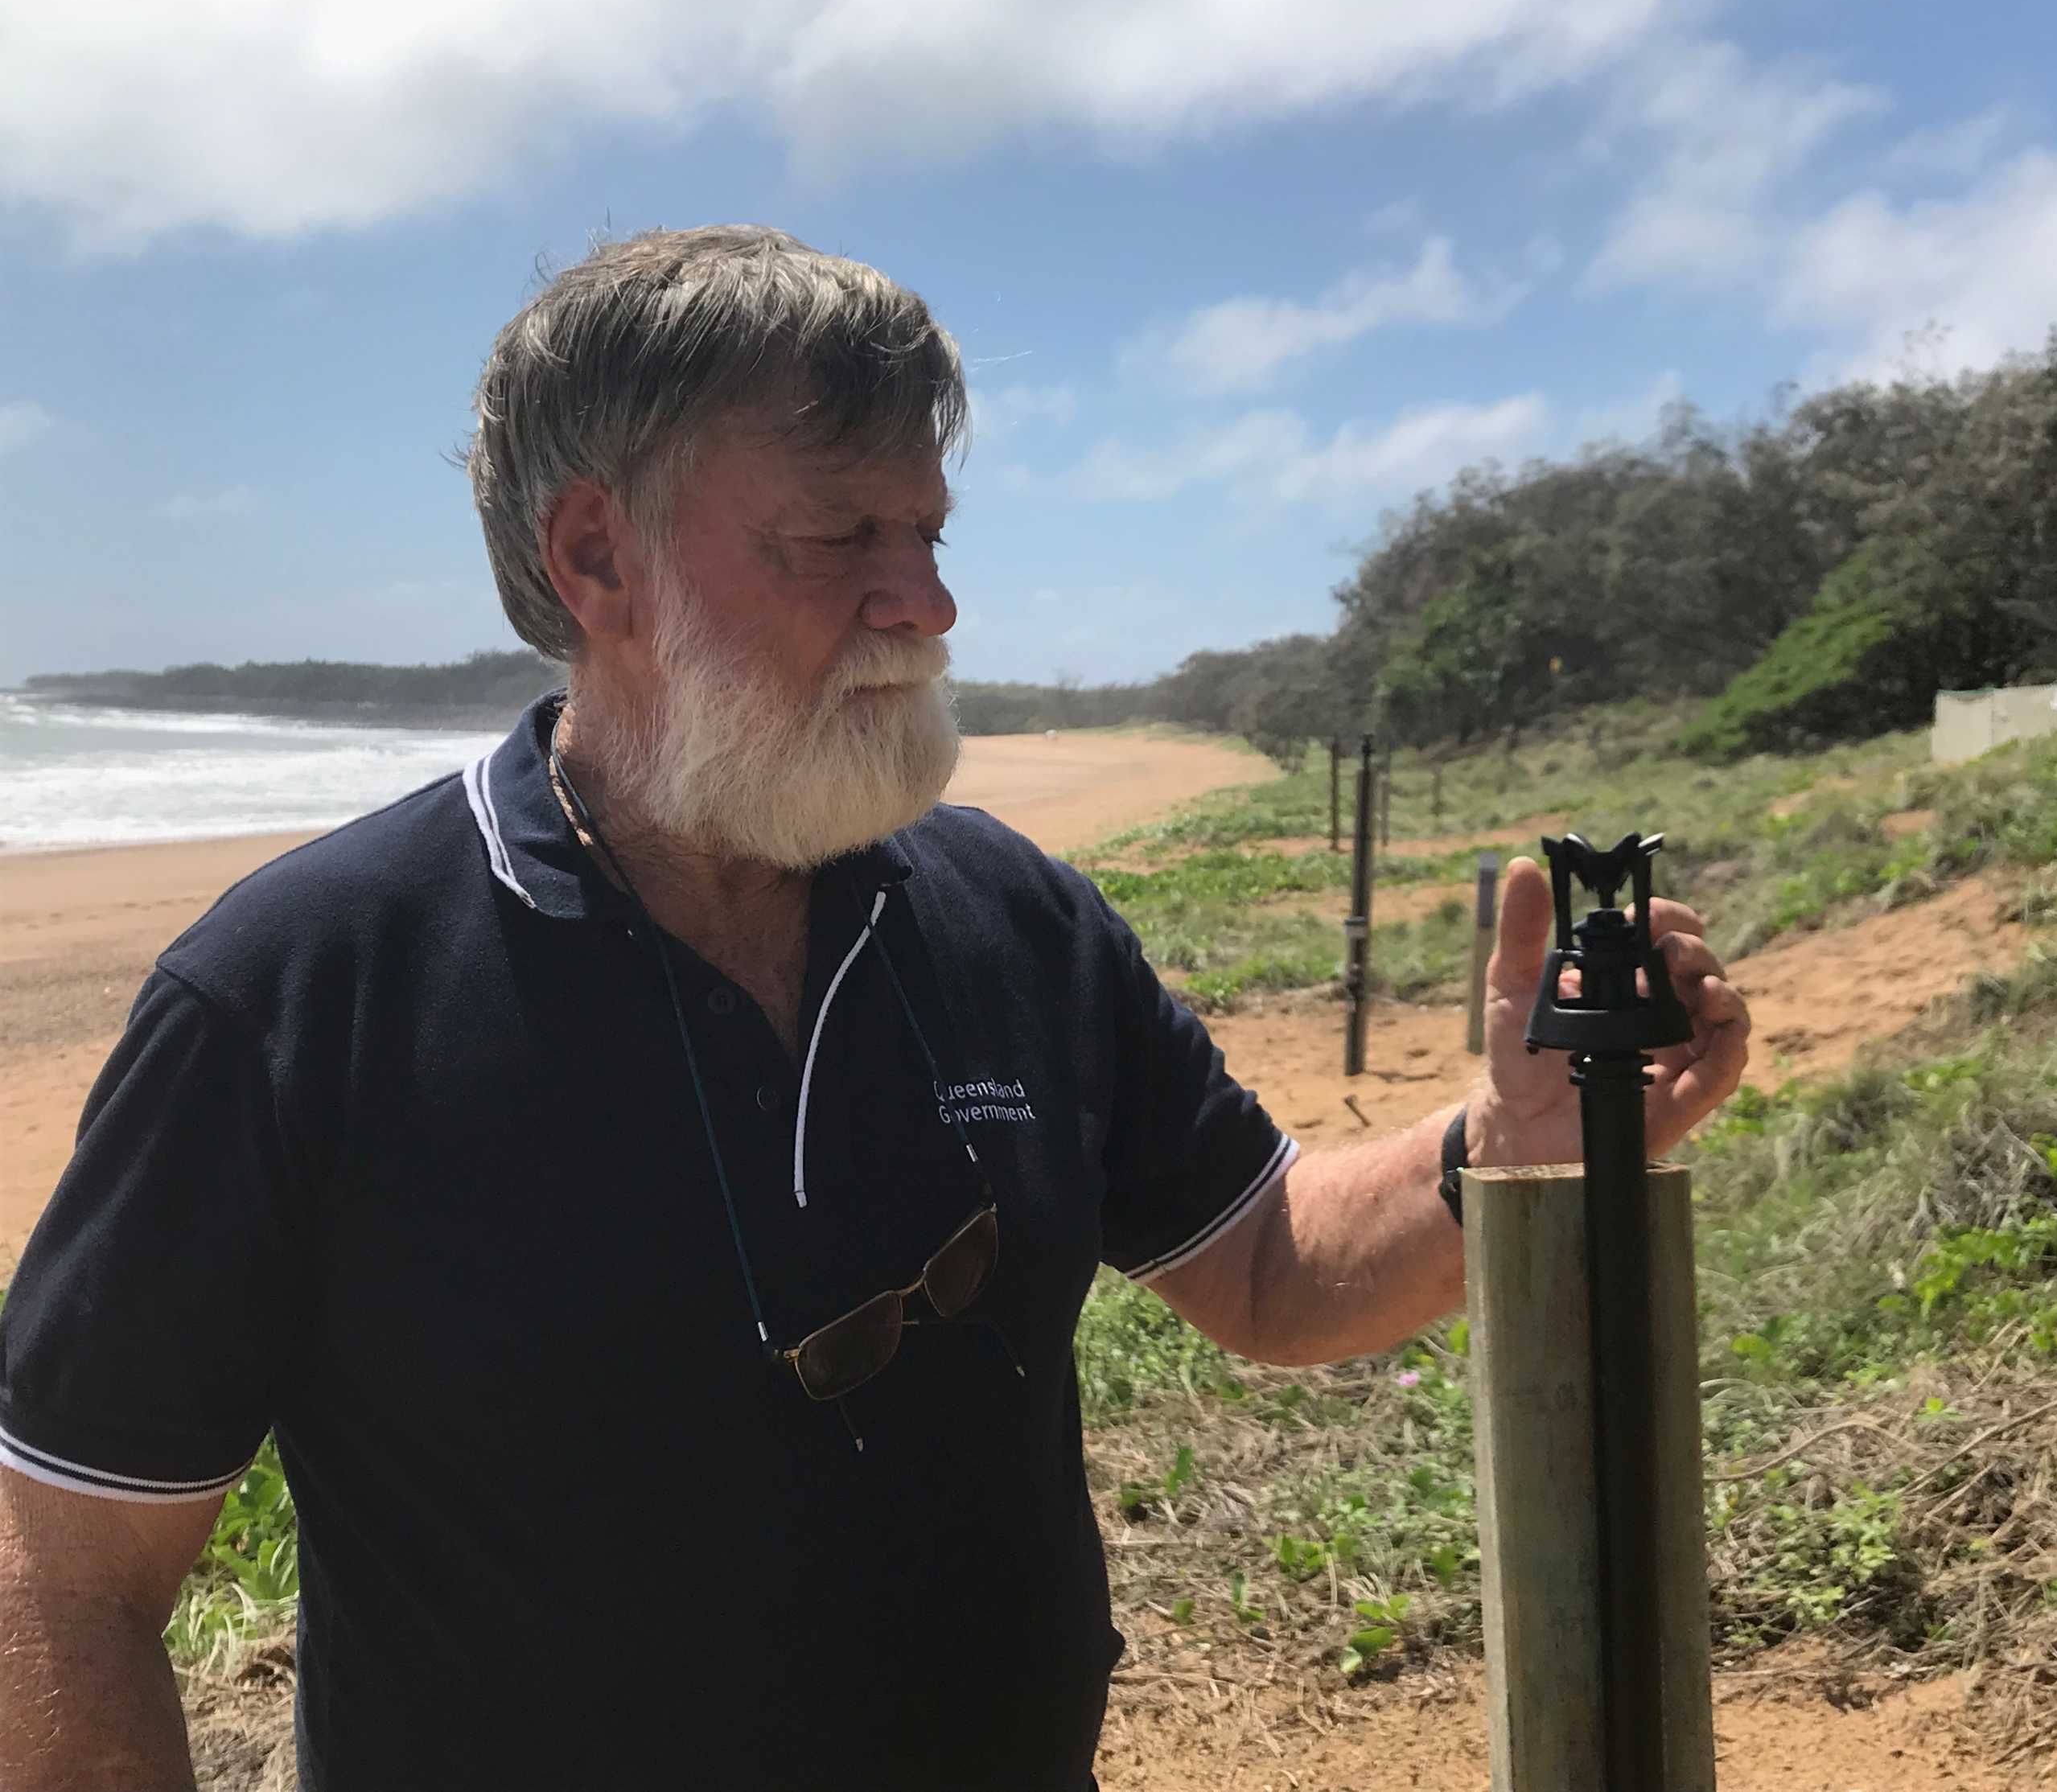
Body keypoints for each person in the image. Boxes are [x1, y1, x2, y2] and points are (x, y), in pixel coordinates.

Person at [0, 226, 1749, 1791]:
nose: (925, 602)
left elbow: (1270, 1262)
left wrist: (1499, 1147)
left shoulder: (1006, 914)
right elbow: (60, 1573)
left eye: (924, 529)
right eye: (837, 534)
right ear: (596, 559)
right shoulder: (300, 993)